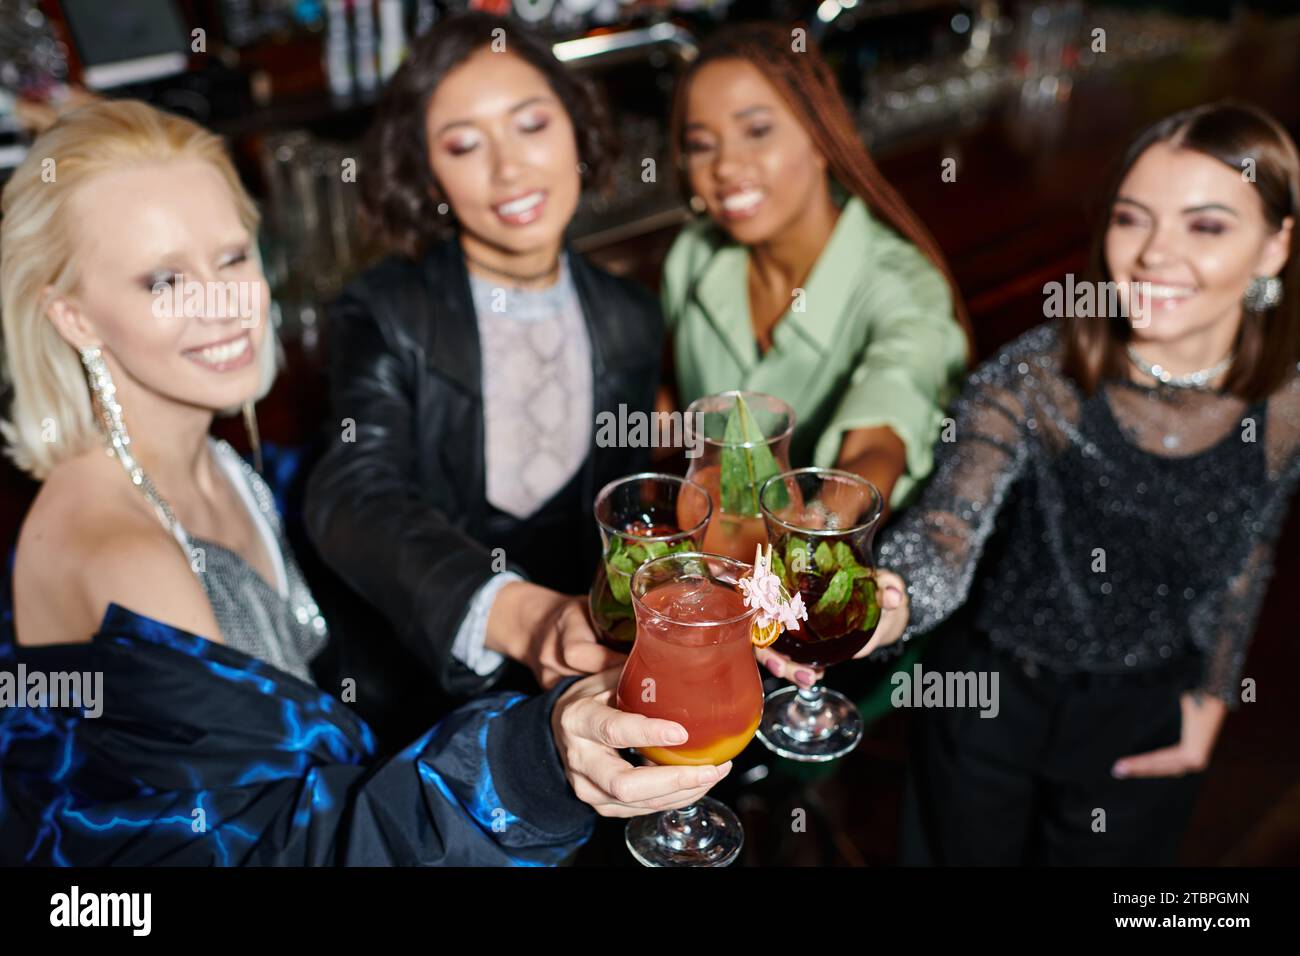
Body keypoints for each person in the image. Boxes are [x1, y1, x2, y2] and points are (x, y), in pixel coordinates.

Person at [0, 99, 728, 865]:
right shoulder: (123, 555)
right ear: (74, 317)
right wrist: (530, 762)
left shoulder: (220, 461)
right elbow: (284, 851)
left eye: (232, 257)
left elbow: (372, 508)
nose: (224, 307)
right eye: (162, 280)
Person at [870, 101, 1300, 865]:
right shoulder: (1038, 373)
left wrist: (1213, 696)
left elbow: (1249, 553)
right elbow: (947, 528)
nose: (1153, 255)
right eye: (1132, 219)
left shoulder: (1288, 405)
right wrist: (887, 602)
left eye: (1206, 226)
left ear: (1274, 246)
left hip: (1143, 716)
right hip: (990, 704)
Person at [304, 13, 661, 707]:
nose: (510, 168)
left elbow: (618, 521)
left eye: (532, 126)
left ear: (576, 130)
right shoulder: (385, 312)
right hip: (421, 704)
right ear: (428, 175)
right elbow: (351, 493)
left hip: (590, 686)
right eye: (464, 145)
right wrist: (521, 619)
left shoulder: (631, 318)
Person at [659, 22, 971, 513]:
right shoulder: (692, 256)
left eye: (757, 131)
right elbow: (672, 409)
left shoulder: (903, 287)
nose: (725, 166)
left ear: (822, 137)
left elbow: (879, 440)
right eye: (702, 144)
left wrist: (814, 533)